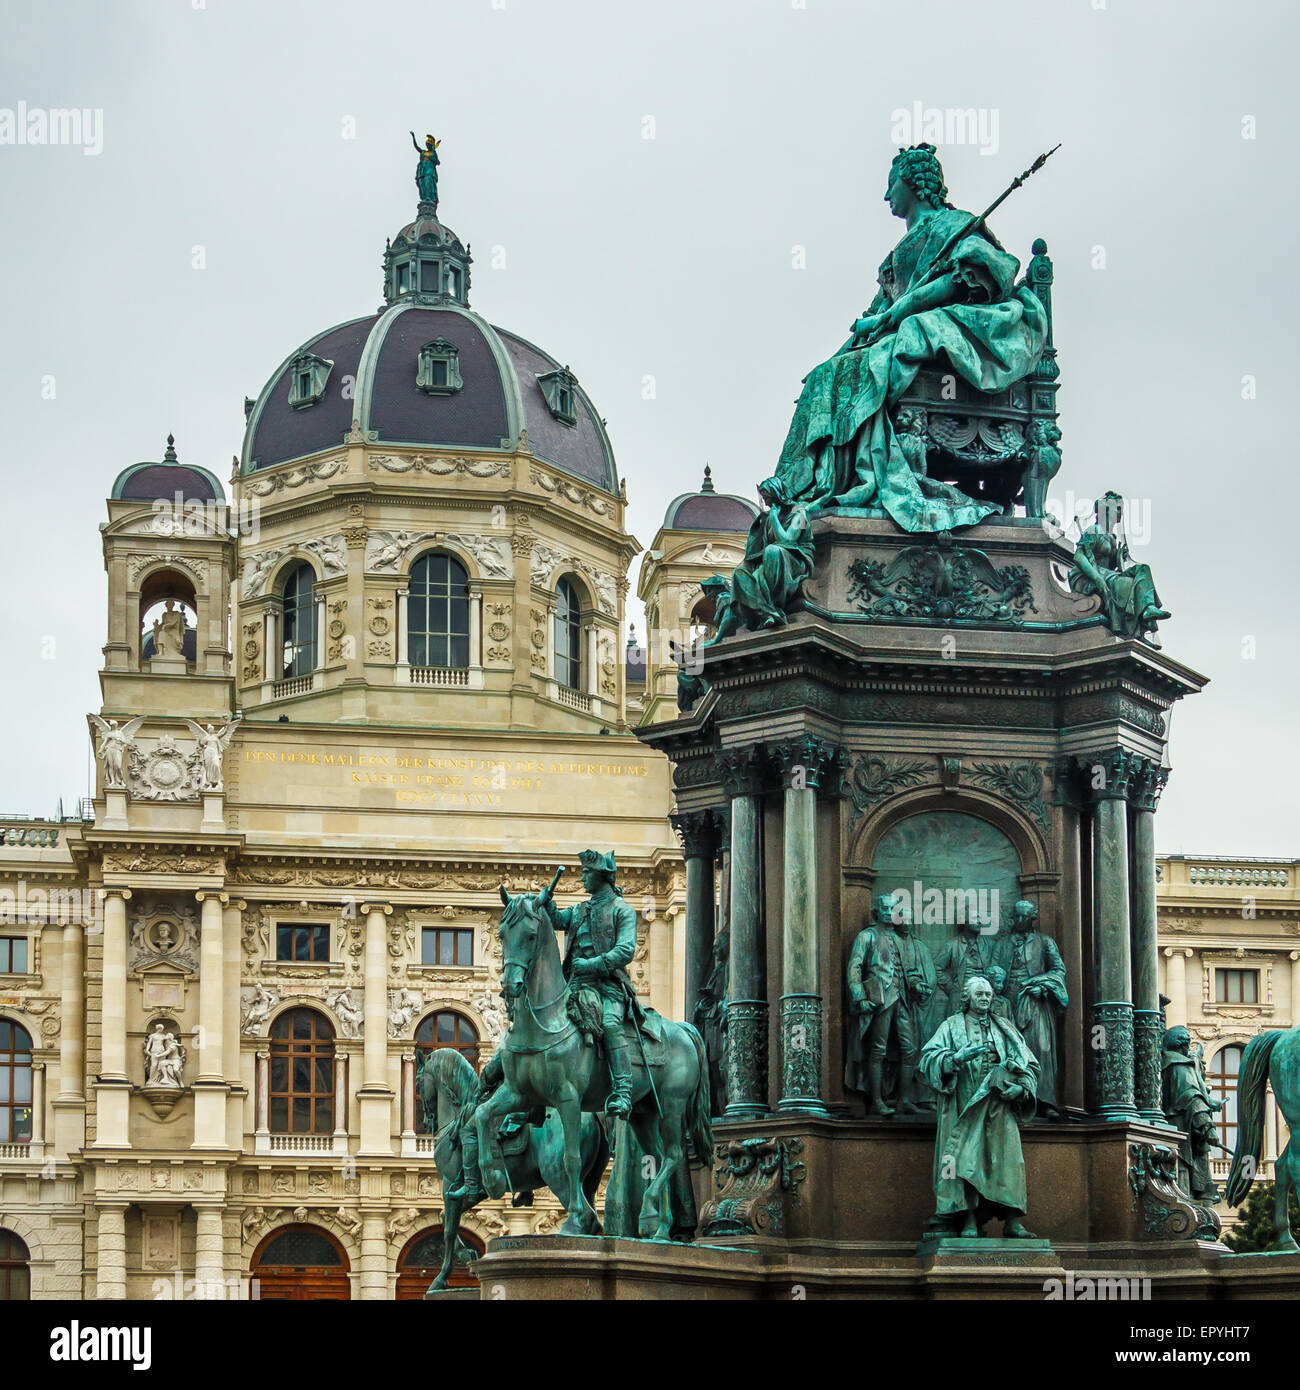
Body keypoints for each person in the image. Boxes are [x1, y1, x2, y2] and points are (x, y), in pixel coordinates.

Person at [774, 143, 1047, 531]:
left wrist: (894, 313)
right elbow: (870, 317)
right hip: (901, 336)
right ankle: (799, 488)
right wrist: (828, 362)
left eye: (892, 185)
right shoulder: (898, 254)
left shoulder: (956, 227)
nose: (887, 196)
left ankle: (842, 483)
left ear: (914, 183)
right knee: (828, 376)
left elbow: (960, 283)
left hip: (951, 342)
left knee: (892, 345)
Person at [919, 976, 1039, 1238]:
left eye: (988, 994)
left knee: (1009, 1160)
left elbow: (1028, 1064)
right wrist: (953, 1059)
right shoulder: (951, 1026)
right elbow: (928, 1058)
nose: (985, 998)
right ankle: (969, 1219)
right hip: (964, 1103)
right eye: (979, 994)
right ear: (967, 998)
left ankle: (1012, 1220)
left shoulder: (1004, 1027)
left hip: (999, 1104)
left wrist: (1021, 1088)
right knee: (965, 1161)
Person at [553, 850, 639, 1118]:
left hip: (608, 987)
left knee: (610, 1024)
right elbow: (557, 920)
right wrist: (544, 903)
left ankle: (623, 1092)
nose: (582, 878)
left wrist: (593, 964)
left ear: (602, 876)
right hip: (574, 985)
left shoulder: (622, 910)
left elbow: (625, 950)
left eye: (587, 873)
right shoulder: (580, 910)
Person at [844, 892, 936, 1115]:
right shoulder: (868, 936)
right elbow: (854, 967)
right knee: (877, 1049)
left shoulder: (900, 938)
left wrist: (916, 985)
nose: (889, 913)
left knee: (910, 1049)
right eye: (885, 908)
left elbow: (908, 970)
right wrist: (860, 997)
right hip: (879, 1000)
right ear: (877, 911)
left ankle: (904, 1099)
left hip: (902, 999)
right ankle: (876, 1101)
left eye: (893, 909)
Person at [993, 900, 1068, 1117]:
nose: (1017, 921)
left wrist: (1044, 988)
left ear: (1031, 918)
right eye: (1015, 916)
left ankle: (1045, 1101)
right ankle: (1010, 1099)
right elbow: (993, 967)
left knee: (1041, 1050)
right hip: (1006, 1001)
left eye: (1022, 917)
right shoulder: (1002, 943)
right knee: (1008, 1050)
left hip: (1035, 1002)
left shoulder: (1045, 942)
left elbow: (1058, 970)